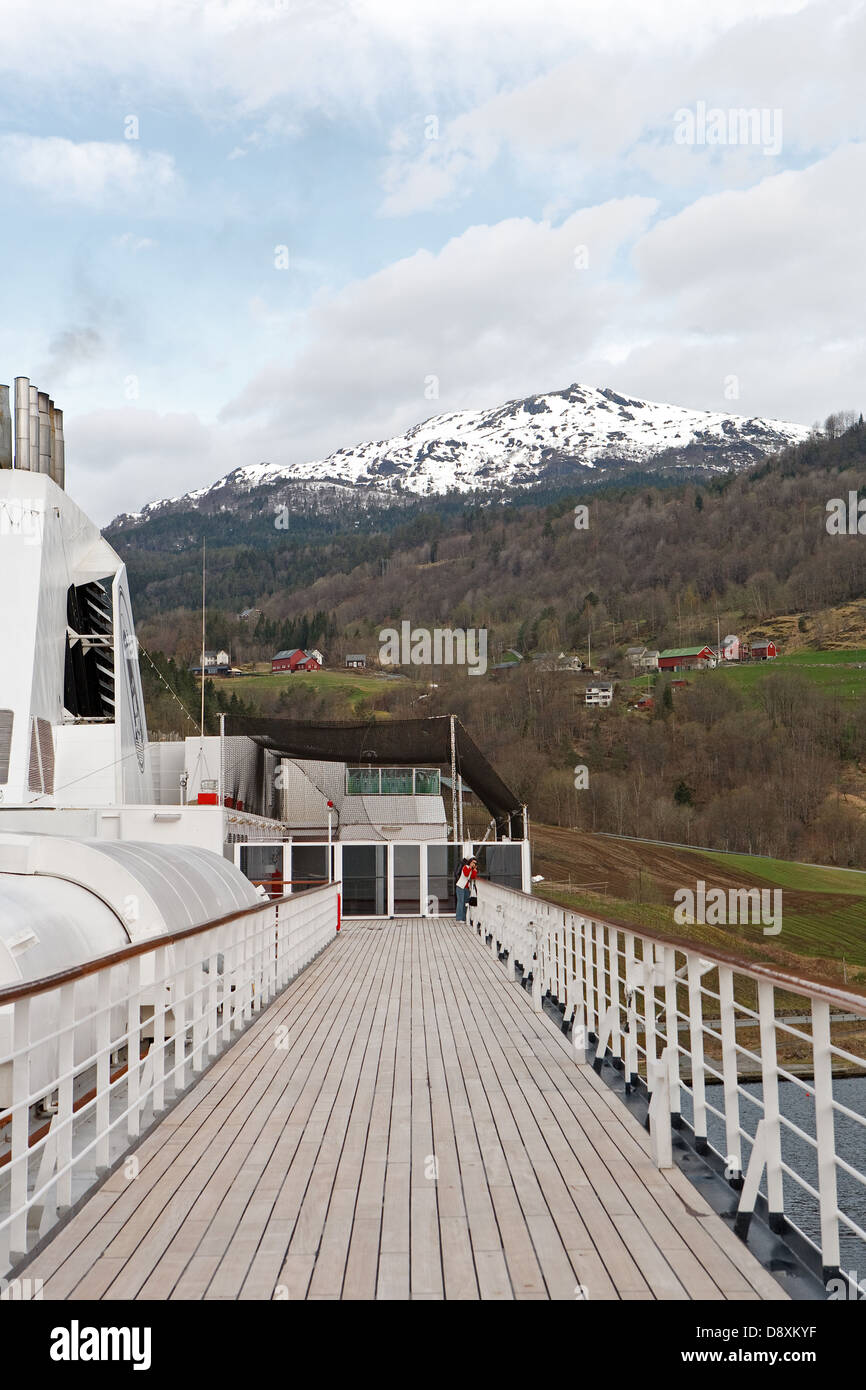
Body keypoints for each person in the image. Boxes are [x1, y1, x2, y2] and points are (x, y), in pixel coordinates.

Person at [455, 855, 478, 922]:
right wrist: (470, 867)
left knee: (466, 903)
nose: (474, 864)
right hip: (460, 887)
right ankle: (459, 918)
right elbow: (466, 874)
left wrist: (474, 870)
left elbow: (473, 877)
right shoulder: (465, 867)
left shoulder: (471, 869)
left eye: (475, 863)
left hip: (467, 888)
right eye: (473, 862)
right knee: (460, 902)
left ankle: (464, 918)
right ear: (470, 862)